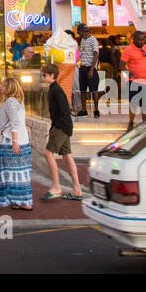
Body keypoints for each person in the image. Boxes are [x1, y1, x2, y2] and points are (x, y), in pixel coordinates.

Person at [0, 77, 33, 211]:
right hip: (23, 141)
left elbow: (14, 123)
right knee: (19, 173)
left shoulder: (10, 102)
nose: (1, 87)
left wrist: (14, 142)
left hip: (11, 142)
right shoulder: (19, 102)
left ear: (9, 88)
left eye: (3, 86)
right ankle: (23, 201)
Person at [39, 64, 83, 201]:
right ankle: (77, 190)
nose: (43, 77)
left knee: (48, 153)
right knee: (67, 156)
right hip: (64, 126)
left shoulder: (56, 90)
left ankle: (57, 186)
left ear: (52, 75)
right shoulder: (54, 89)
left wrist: (57, 128)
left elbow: (64, 110)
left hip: (61, 127)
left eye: (45, 75)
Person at [122, 31, 146, 126]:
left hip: (145, 82)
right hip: (133, 82)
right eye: (139, 40)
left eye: (143, 40)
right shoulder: (128, 50)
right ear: (133, 39)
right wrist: (128, 73)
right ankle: (131, 123)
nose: (141, 42)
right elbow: (121, 65)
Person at [71, 23, 101, 117]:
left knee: (94, 90)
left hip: (90, 67)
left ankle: (96, 110)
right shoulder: (82, 40)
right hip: (83, 67)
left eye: (80, 32)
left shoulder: (93, 40)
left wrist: (92, 69)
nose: (79, 34)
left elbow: (96, 54)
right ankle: (84, 110)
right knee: (82, 90)